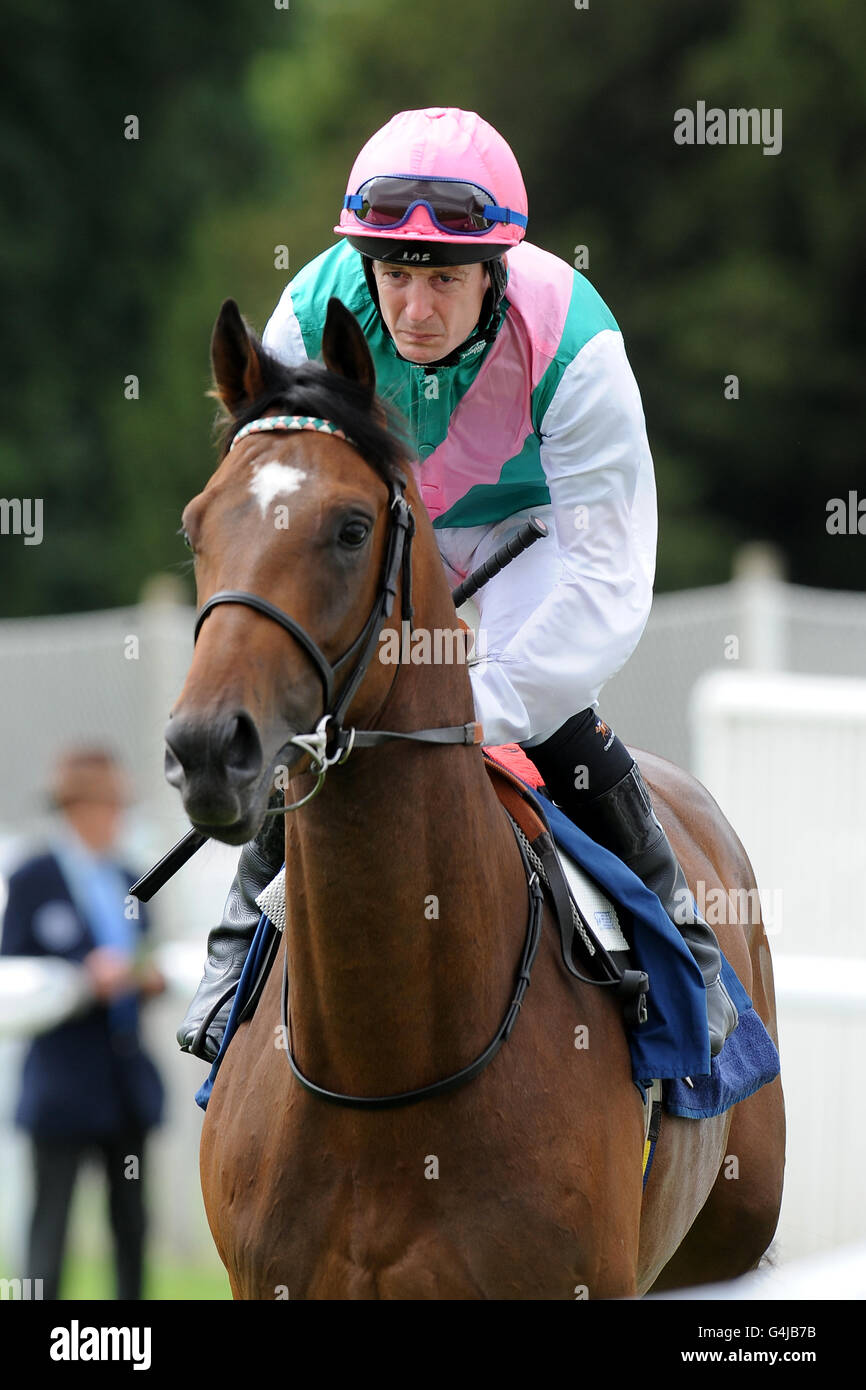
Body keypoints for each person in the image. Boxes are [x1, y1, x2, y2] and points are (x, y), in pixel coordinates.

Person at [178, 106, 737, 1063]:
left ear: (495, 269)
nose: (414, 310)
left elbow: (606, 576)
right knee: (313, 709)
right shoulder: (307, 318)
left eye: (443, 279)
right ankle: (233, 951)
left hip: (535, 533)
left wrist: (475, 700)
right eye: (395, 276)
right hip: (378, 525)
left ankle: (682, 944)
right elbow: (274, 507)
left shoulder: (575, 346)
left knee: (547, 712)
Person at [1, 748, 164, 1300]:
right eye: (109, 805)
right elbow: (14, 974)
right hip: (61, 1087)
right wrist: (79, 980)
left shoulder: (130, 879)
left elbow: (147, 953)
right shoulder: (32, 880)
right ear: (77, 807)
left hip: (125, 1087)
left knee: (132, 1226)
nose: (116, 817)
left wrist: (146, 977)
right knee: (50, 1226)